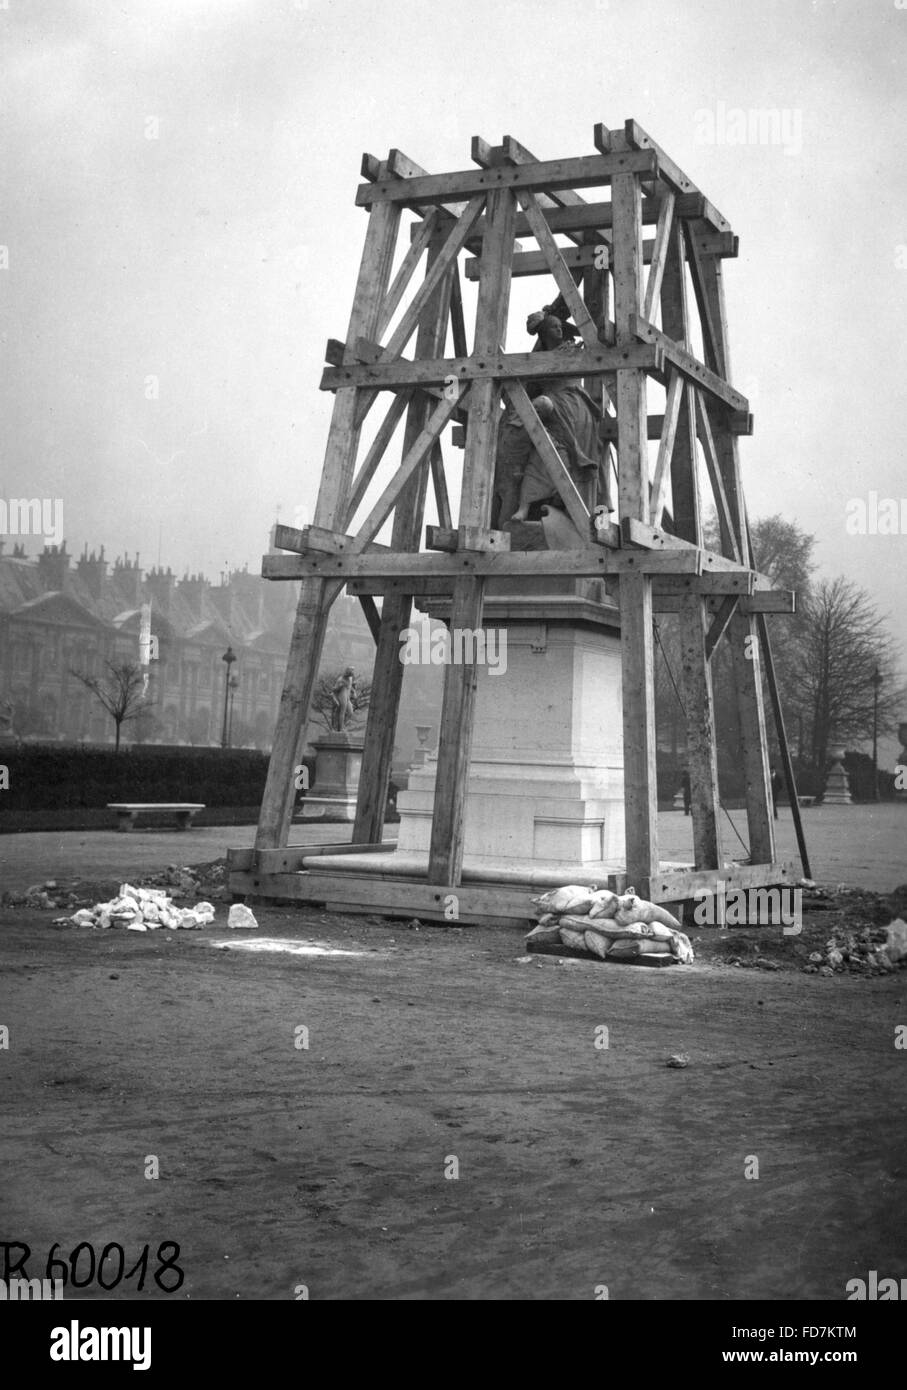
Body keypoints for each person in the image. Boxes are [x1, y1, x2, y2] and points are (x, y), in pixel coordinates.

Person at [491, 307, 606, 534]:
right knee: (542, 454)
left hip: (571, 403)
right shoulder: (540, 356)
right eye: (554, 327)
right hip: (554, 412)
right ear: (544, 334)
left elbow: (591, 340)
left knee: (541, 408)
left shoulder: (571, 349)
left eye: (560, 327)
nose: (560, 330)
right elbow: (524, 388)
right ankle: (516, 479)